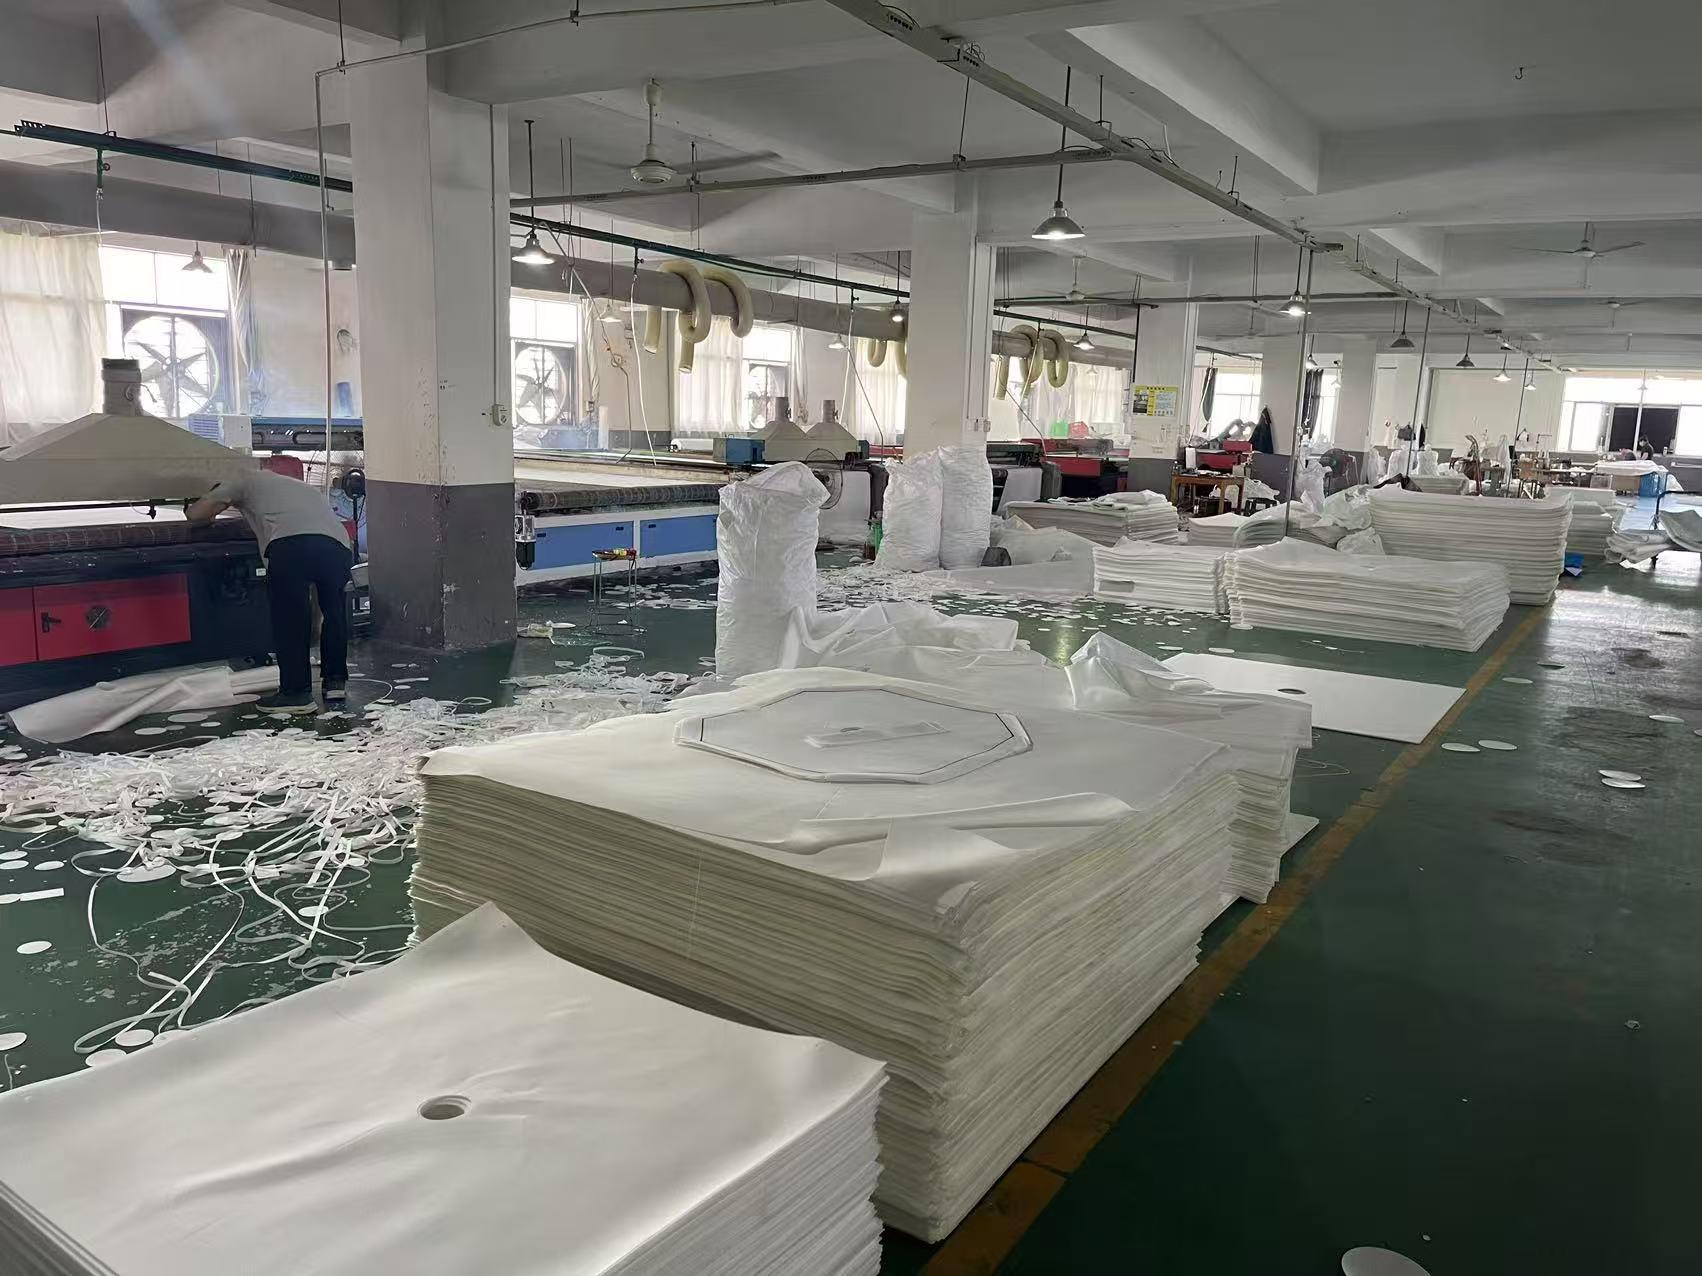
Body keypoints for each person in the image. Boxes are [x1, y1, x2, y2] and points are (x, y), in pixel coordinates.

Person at [188, 468, 352, 714]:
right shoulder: (298, 487)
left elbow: (196, 514)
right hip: (338, 546)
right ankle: (335, 682)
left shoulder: (239, 479)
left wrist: (206, 512)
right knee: (334, 614)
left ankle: (296, 694)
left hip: (292, 546)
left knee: (291, 620)